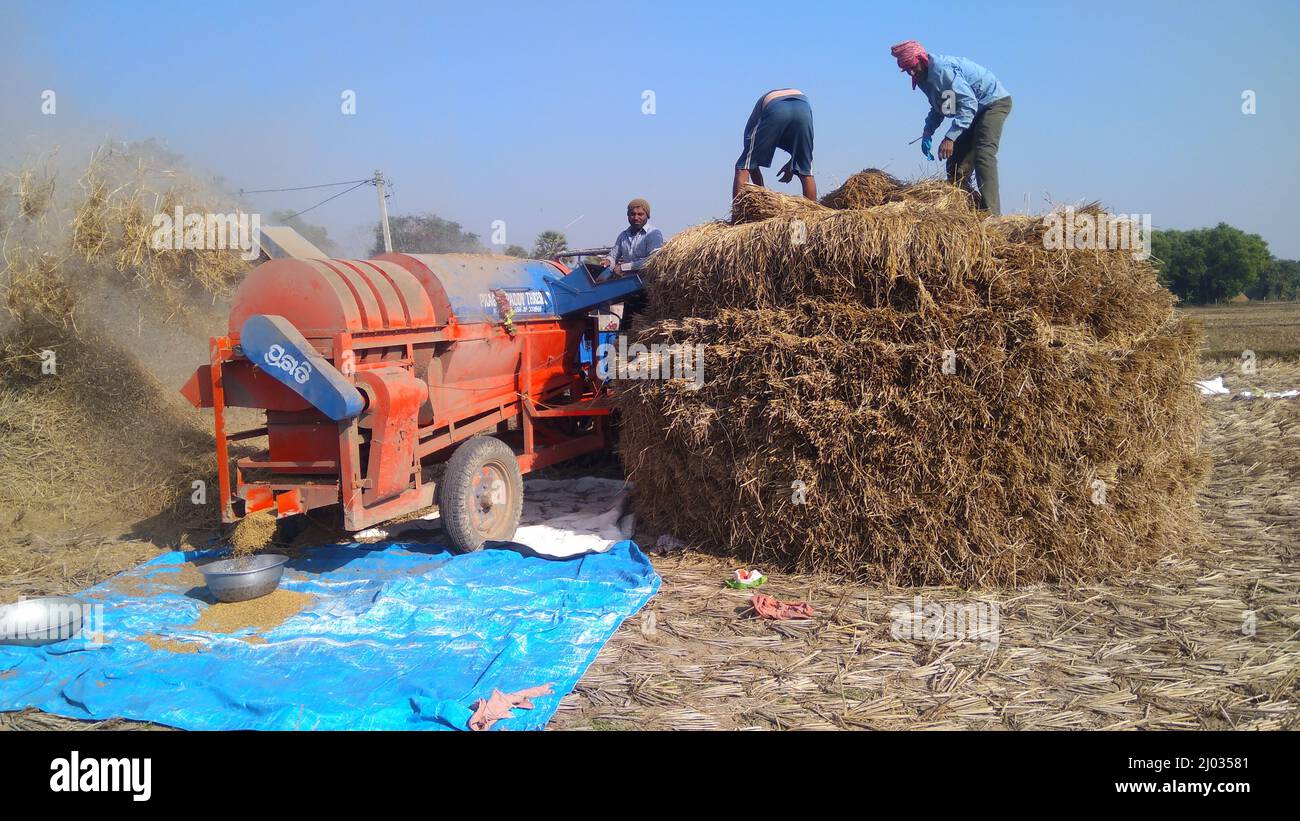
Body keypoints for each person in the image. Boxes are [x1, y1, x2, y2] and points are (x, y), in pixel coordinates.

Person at [890, 40, 1012, 216]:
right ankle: (966, 212)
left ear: (921, 59)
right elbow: (942, 106)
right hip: (972, 110)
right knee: (956, 163)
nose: (911, 72)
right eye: (906, 70)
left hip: (992, 103)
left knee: (983, 153)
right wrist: (928, 131)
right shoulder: (922, 77)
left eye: (912, 66)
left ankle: (992, 215)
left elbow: (968, 103)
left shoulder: (941, 71)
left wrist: (950, 137)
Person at [733, 89, 817, 202]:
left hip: (775, 106)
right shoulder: (780, 131)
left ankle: (738, 217)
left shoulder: (751, 131)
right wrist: (793, 162)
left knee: (742, 167)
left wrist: (762, 200)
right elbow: (803, 152)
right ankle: (811, 216)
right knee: (806, 170)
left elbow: (751, 167)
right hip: (803, 107)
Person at [602, 198, 663, 277]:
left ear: (647, 216)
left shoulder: (653, 234)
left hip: (647, 284)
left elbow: (653, 260)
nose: (636, 218)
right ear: (628, 215)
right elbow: (613, 256)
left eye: (640, 214)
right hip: (628, 283)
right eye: (633, 214)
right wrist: (608, 261)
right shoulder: (623, 236)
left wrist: (624, 267)